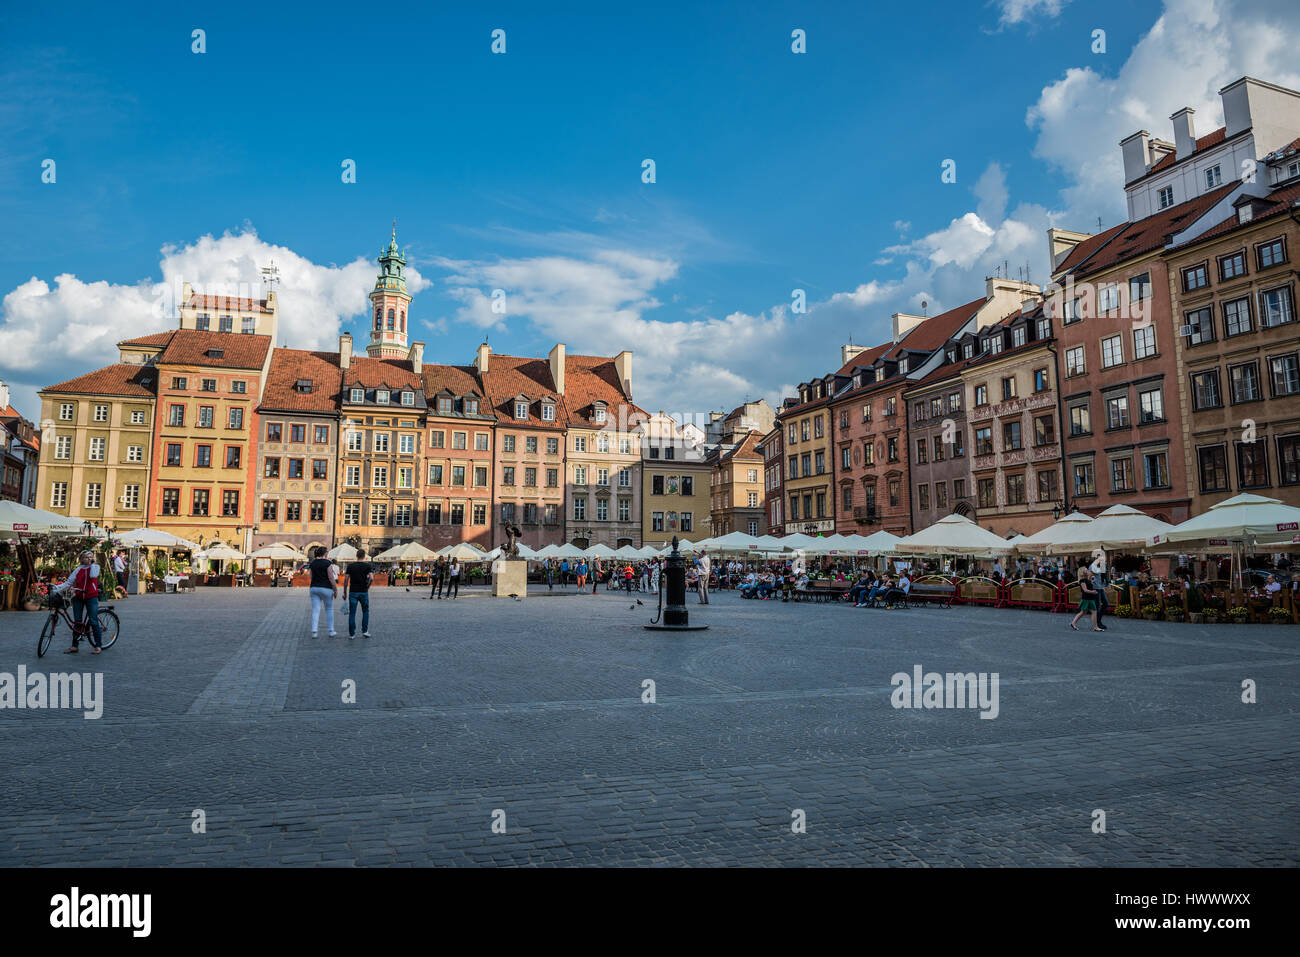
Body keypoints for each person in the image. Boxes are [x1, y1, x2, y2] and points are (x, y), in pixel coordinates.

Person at [52, 550, 105, 654]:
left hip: (91, 597)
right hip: (78, 596)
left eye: (91, 557)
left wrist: (92, 563)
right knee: (77, 622)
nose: (89, 558)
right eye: (86, 557)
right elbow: (68, 583)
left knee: (93, 621)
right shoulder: (78, 570)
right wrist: (55, 588)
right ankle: (74, 646)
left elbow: (93, 575)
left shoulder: (95, 567)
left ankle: (98, 645)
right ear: (81, 559)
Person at [343, 548, 374, 639]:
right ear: (364, 556)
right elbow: (371, 578)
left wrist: (345, 592)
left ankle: (352, 634)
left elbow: (346, 580)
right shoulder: (367, 566)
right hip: (363, 592)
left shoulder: (350, 566)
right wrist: (367, 586)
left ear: (356, 556)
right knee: (365, 611)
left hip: (353, 592)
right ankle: (365, 631)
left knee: (352, 613)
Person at [307, 546, 338, 638]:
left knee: (315, 610)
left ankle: (314, 632)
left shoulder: (312, 563)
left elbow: (311, 577)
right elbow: (331, 577)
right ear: (325, 554)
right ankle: (331, 631)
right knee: (329, 609)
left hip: (314, 588)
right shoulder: (328, 563)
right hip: (326, 588)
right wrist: (335, 589)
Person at [1070, 567, 1102, 631]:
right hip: (1087, 599)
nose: (1088, 570)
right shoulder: (1082, 580)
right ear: (1083, 572)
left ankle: (1073, 623)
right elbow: (1085, 590)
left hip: (1090, 598)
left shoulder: (1087, 579)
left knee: (1084, 612)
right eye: (1086, 570)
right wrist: (1093, 592)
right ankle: (1095, 627)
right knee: (1091, 612)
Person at [1090, 555, 1110, 631]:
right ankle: (1098, 623)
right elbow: (1090, 576)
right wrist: (1091, 585)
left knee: (1105, 604)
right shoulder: (1093, 566)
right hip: (1095, 588)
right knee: (1097, 606)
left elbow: (1103, 576)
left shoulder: (1102, 566)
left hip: (1100, 588)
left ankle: (1098, 621)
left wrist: (1105, 585)